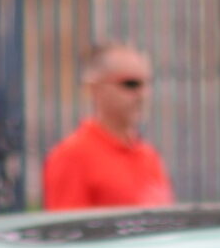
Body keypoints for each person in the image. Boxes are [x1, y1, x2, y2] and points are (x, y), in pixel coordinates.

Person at [41, 43, 175, 210]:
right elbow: (66, 232)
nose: (143, 94)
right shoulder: (71, 156)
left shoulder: (149, 156)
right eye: (131, 84)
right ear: (96, 89)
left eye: (147, 84)